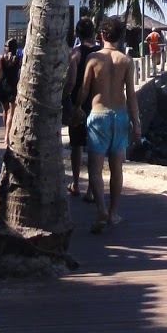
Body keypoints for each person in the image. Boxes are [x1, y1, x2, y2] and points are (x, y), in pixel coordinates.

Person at [77, 17, 141, 233]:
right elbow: (131, 95)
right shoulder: (126, 61)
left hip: (99, 115)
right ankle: (113, 213)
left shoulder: (93, 58)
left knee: (95, 169)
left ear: (102, 35)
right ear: (121, 36)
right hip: (120, 116)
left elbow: (84, 89)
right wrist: (136, 123)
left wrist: (76, 107)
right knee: (116, 168)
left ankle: (101, 210)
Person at [62, 17, 99, 199]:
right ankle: (91, 189)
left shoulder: (75, 53)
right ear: (93, 33)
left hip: (79, 105)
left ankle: (76, 184)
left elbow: (70, 82)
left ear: (77, 33)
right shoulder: (101, 53)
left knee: (76, 146)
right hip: (97, 103)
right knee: (94, 148)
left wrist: (64, 97)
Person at [0, 37, 22, 142]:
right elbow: (21, 71)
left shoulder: (1, 58)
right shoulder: (18, 58)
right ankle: (8, 135)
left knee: (5, 110)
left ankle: (6, 131)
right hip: (14, 86)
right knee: (11, 112)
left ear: (7, 48)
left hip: (3, 86)